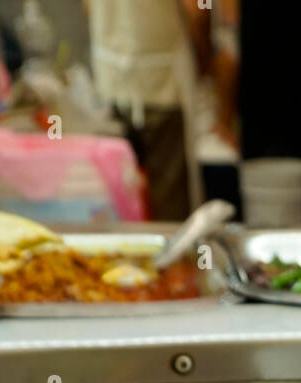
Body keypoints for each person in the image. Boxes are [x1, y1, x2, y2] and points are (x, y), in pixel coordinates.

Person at [85, 0, 211, 220]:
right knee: (171, 207)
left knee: (118, 200)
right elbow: (198, 10)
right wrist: (205, 60)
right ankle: (176, 255)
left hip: (109, 80)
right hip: (162, 83)